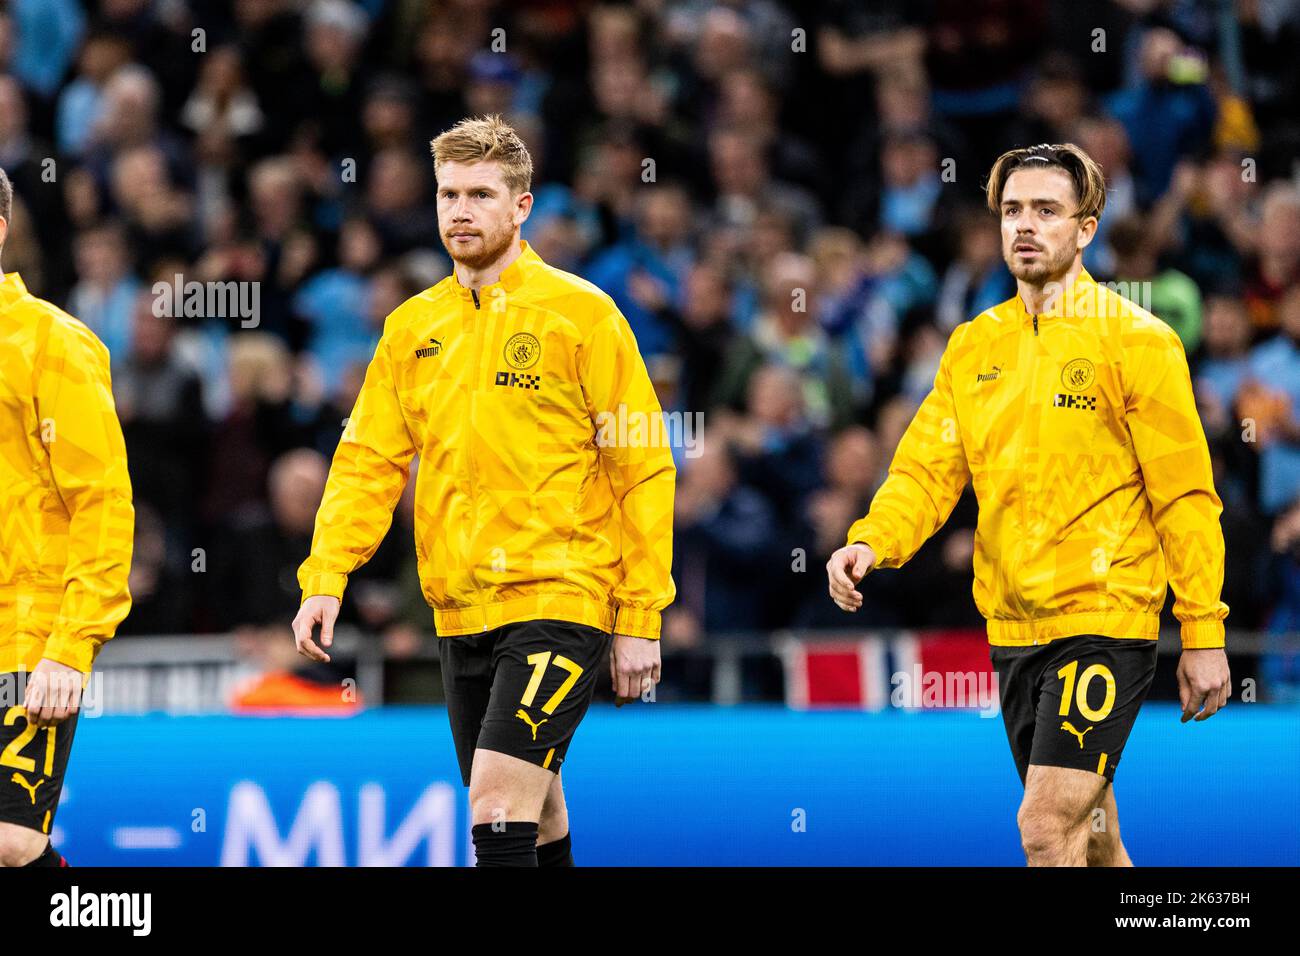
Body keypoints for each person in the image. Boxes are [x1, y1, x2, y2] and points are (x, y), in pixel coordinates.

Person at [826, 143, 1231, 866]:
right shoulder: (973, 346)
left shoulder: (1139, 342)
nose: (1025, 225)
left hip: (1103, 619)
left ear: (1086, 228)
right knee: (1093, 838)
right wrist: (872, 540)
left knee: (1044, 828)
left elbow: (1185, 497)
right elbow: (926, 470)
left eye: (1047, 210)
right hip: (1013, 627)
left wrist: (1203, 630)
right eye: (1012, 209)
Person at [292, 115, 675, 867]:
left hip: (560, 596)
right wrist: (326, 576)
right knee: (537, 812)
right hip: (460, 607)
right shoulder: (411, 328)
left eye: (480, 195)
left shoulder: (583, 315)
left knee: (495, 811)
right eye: (448, 195)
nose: (460, 212)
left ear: (522, 206)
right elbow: (367, 462)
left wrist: (640, 616)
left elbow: (643, 466)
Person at [0, 167, 134, 867]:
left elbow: (102, 501)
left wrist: (70, 646)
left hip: (27, 633)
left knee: (11, 841)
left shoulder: (52, 342)